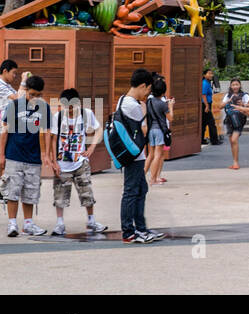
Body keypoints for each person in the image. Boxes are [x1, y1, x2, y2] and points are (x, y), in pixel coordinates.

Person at [1, 73, 53, 237]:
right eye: (32, 95)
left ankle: (29, 224)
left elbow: (46, 131)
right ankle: (12, 224)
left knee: (30, 192)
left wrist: (46, 155)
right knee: (12, 191)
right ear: (26, 91)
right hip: (13, 155)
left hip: (33, 157)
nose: (35, 98)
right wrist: (1, 155)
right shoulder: (14, 106)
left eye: (38, 95)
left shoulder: (44, 108)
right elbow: (5, 131)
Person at [51, 89, 109, 236]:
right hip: (62, 163)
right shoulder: (58, 117)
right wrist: (54, 161)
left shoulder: (86, 114)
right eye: (65, 106)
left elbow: (99, 130)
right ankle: (60, 223)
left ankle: (91, 221)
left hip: (80, 162)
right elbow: (52, 139)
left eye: (71, 107)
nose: (68, 110)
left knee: (87, 192)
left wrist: (92, 147)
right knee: (60, 194)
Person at [116, 69, 162, 243]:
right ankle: (129, 232)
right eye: (148, 89)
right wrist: (144, 112)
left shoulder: (123, 100)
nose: (148, 93)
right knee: (131, 191)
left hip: (134, 154)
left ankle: (140, 229)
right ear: (143, 86)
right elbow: (143, 130)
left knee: (141, 189)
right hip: (134, 155)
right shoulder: (133, 105)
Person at [145, 76, 173, 186]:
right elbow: (170, 118)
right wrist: (170, 106)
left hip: (151, 129)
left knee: (150, 155)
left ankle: (142, 177)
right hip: (159, 130)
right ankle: (153, 179)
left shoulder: (149, 101)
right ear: (163, 91)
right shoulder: (162, 104)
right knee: (158, 155)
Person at [222, 78, 249, 170]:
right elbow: (220, 106)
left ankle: (236, 163)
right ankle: (235, 161)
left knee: (234, 140)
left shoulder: (244, 96)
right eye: (233, 85)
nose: (235, 86)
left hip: (239, 120)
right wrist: (227, 101)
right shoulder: (228, 95)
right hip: (229, 120)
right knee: (232, 141)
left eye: (237, 84)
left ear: (240, 85)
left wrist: (243, 104)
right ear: (230, 86)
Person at [200, 67, 221, 145]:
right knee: (211, 123)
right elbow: (203, 95)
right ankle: (214, 140)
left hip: (207, 104)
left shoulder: (208, 83)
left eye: (211, 73)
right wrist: (206, 106)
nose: (211, 75)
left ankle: (201, 139)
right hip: (205, 104)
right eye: (209, 73)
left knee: (204, 123)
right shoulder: (205, 83)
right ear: (204, 75)